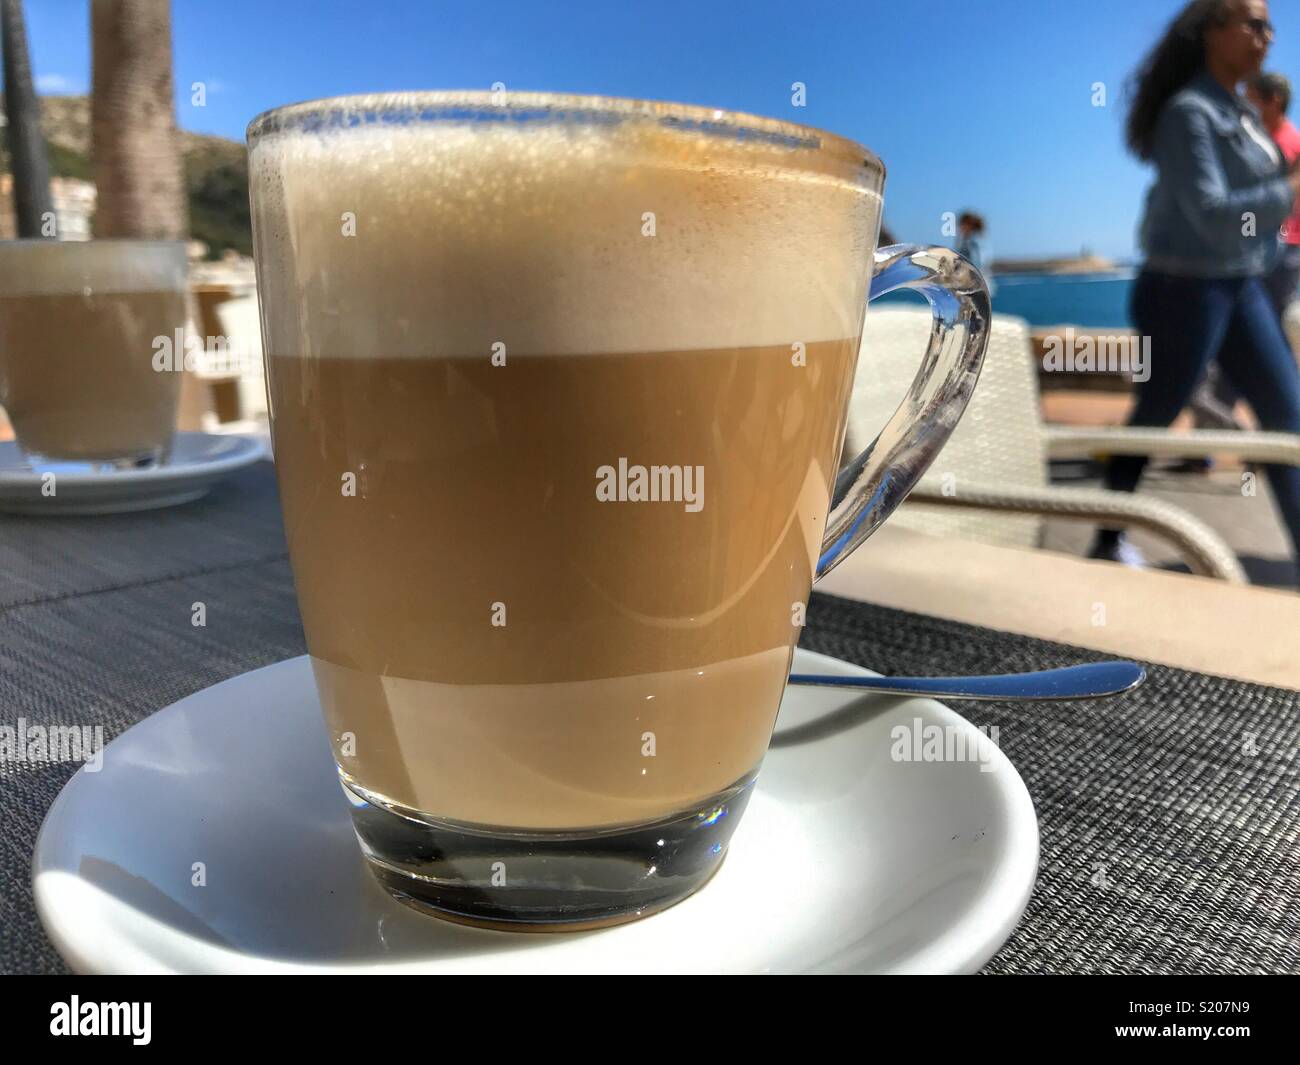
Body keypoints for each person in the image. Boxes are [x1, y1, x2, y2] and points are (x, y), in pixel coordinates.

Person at [1090, 0, 1300, 582]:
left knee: (1289, 413)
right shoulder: (1188, 114)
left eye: (1270, 25)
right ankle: (1107, 539)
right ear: (1212, 32)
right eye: (1253, 23)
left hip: (1240, 284)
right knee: (1156, 413)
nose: (1267, 35)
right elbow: (1211, 214)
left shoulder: (1241, 111)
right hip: (1184, 289)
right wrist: (1288, 188)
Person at [1247, 72, 1300, 310]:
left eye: (1252, 99)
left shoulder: (1290, 144)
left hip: (1284, 245)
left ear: (1274, 100)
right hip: (1255, 242)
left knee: (1274, 316)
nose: (1245, 106)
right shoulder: (1257, 139)